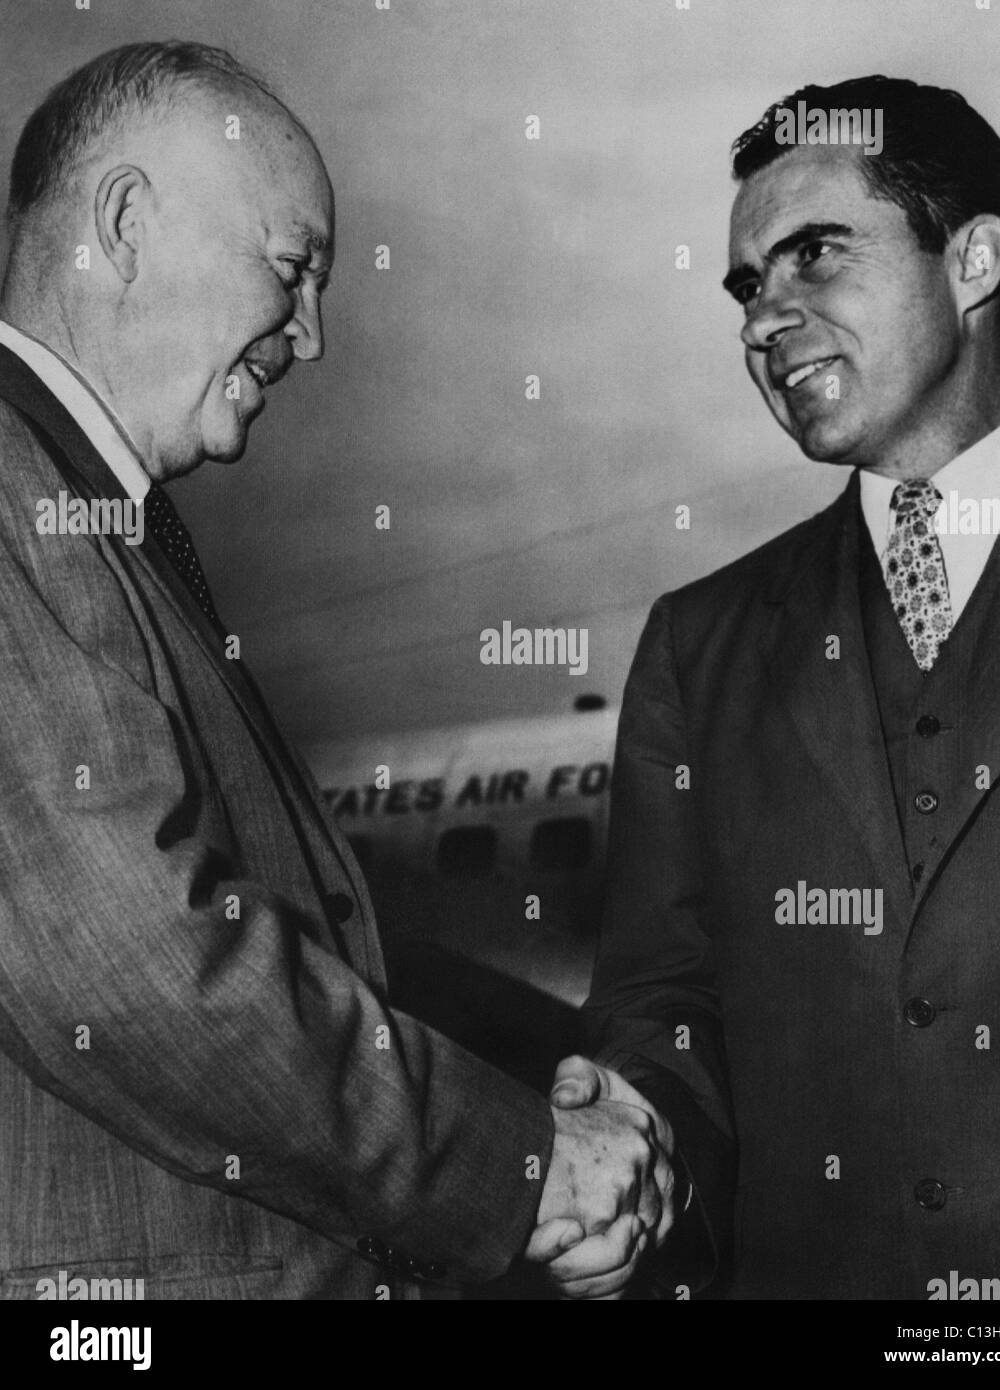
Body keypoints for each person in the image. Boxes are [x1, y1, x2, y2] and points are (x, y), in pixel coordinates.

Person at [0, 40, 673, 1301]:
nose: (309, 337)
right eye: (294, 265)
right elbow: (142, 972)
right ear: (126, 222)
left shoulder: (94, 525)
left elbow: (323, 951)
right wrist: (529, 1169)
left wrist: (559, 1081)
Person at [554, 74, 1000, 1299]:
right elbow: (662, 990)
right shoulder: (698, 642)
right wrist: (635, 1124)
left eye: (814, 256)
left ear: (974, 259)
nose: (760, 321)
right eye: (746, 289)